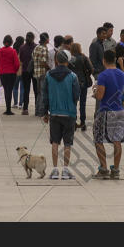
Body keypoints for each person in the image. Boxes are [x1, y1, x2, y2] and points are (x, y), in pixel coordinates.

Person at [93, 48, 124, 179]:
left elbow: (101, 95)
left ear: (104, 60)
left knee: (98, 138)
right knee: (117, 140)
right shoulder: (122, 74)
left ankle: (103, 168)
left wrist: (95, 91)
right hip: (119, 110)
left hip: (106, 111)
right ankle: (116, 169)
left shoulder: (103, 75)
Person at [44, 48, 80, 179]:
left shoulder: (48, 75)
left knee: (54, 142)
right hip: (69, 113)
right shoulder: (73, 76)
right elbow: (76, 95)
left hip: (54, 113)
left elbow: (45, 95)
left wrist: (45, 112)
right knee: (68, 143)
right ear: (68, 61)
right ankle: (65, 170)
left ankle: (54, 170)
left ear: (56, 60)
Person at [0, 35, 21, 115]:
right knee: (10, 90)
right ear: (11, 42)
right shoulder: (13, 51)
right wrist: (15, 71)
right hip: (11, 74)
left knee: (6, 90)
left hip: (3, 74)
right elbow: (17, 64)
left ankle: (7, 109)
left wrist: (1, 69)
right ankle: (9, 110)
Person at [31, 32, 51, 117]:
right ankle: (42, 112)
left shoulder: (36, 47)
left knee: (39, 93)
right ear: (46, 39)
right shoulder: (43, 48)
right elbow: (43, 62)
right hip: (43, 73)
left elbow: (33, 58)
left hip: (36, 73)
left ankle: (37, 111)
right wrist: (49, 68)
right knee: (43, 93)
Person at [16, 32, 35, 115]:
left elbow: (21, 59)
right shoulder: (36, 47)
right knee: (36, 91)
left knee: (26, 90)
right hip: (34, 71)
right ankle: (37, 109)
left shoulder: (22, 47)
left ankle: (25, 109)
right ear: (33, 38)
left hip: (25, 71)